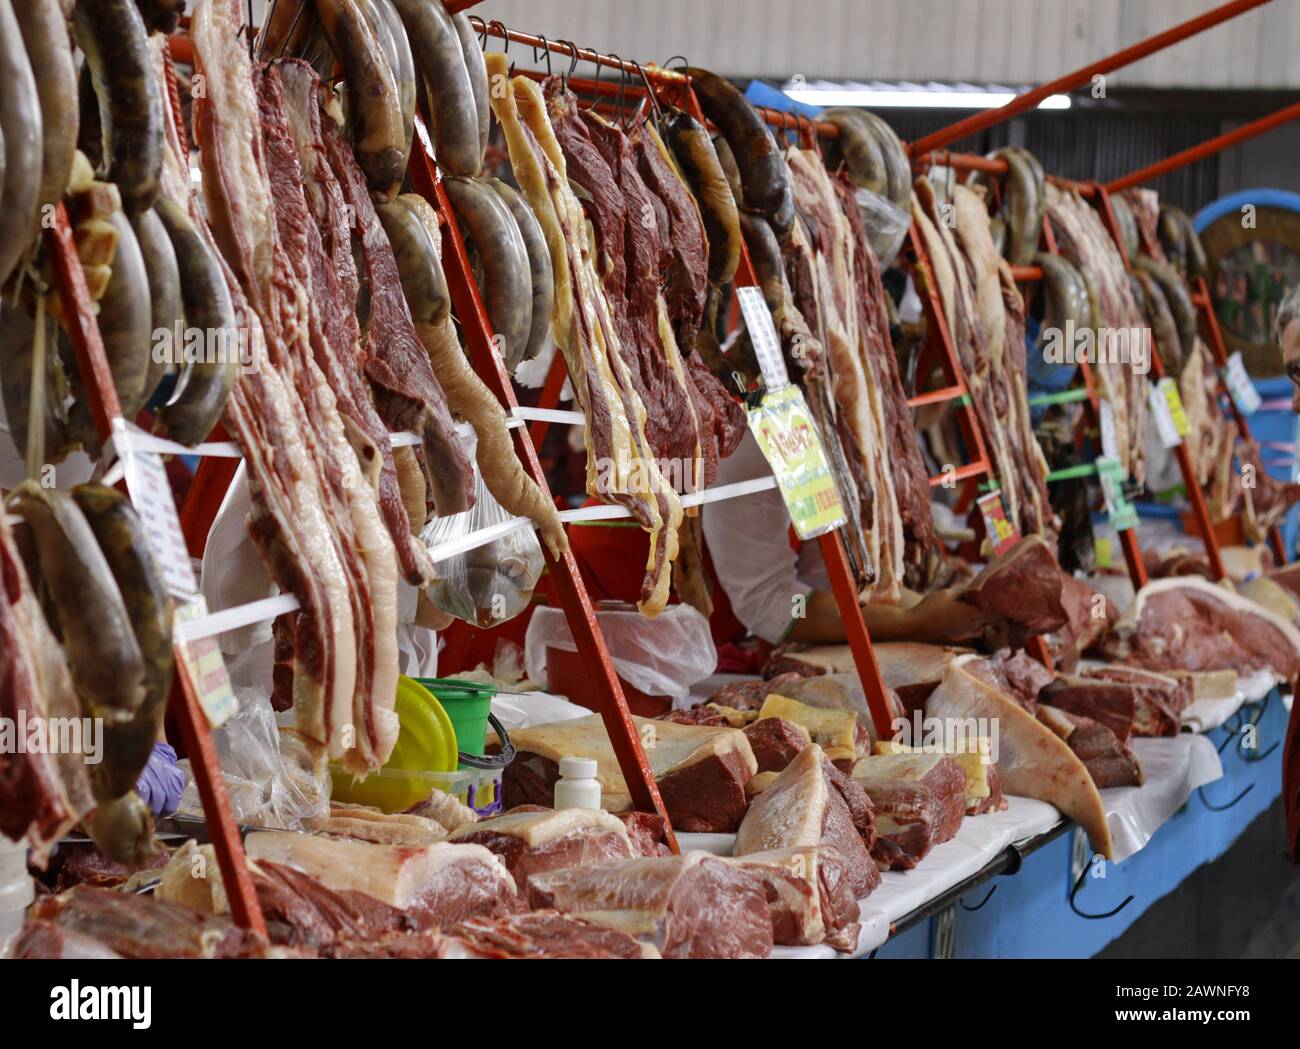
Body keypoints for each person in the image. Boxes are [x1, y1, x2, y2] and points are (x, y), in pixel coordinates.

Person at [700, 430, 989, 647]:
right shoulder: (747, 440)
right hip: (686, 664)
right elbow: (770, 601)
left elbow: (826, 580)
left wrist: (939, 614)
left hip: (739, 648)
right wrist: (913, 622)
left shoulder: (828, 431)